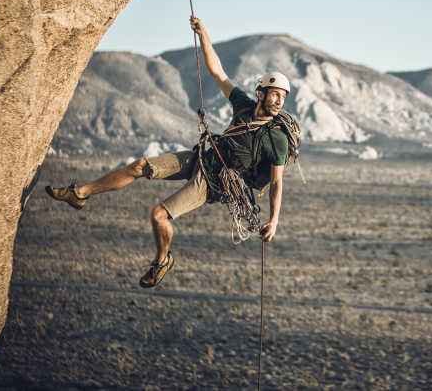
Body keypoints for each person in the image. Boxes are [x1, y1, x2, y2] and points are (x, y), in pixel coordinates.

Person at [45, 17, 295, 288]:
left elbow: (277, 182)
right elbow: (218, 72)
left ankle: (163, 261)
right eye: (275, 94)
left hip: (214, 182)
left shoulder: (276, 139)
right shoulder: (243, 105)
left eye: (283, 96)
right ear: (261, 93)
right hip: (203, 157)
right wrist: (204, 35)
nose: (279, 100)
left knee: (159, 215)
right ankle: (80, 193)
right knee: (140, 166)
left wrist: (274, 220)